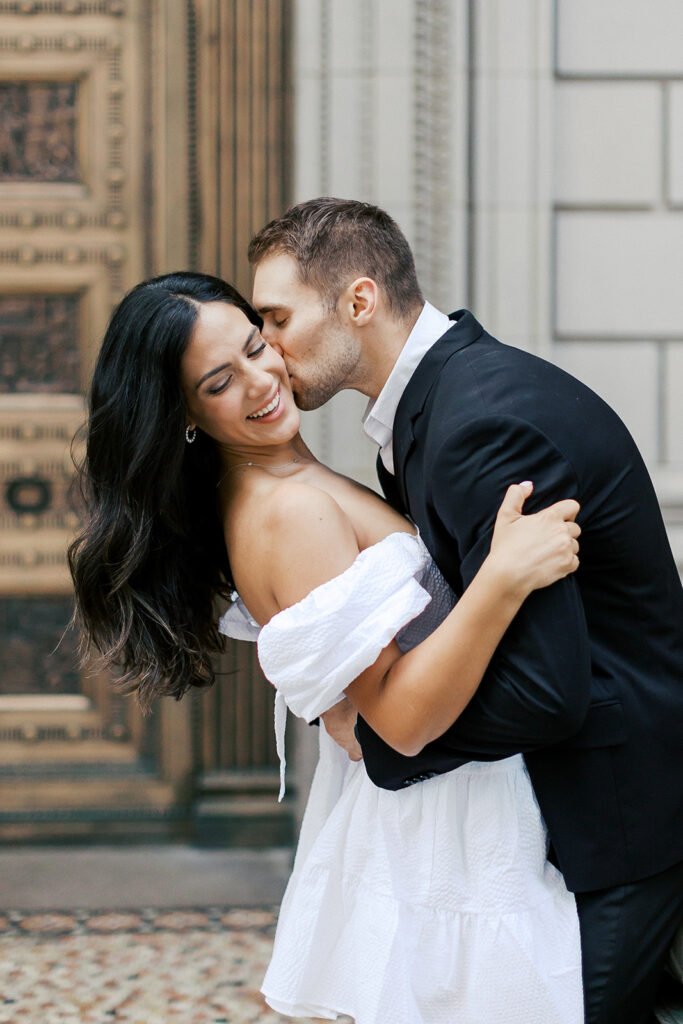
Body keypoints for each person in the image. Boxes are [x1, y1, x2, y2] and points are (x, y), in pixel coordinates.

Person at [68, 271, 585, 1024]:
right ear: (183, 415)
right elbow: (398, 724)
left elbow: (355, 697)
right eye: (219, 381)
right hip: (448, 823)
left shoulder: (283, 481)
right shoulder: (287, 513)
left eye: (254, 345)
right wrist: (500, 580)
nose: (260, 380)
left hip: (447, 803)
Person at [247, 198, 683, 1024]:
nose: (267, 352)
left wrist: (382, 738)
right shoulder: (439, 404)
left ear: (359, 301)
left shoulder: (476, 426)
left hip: (623, 812)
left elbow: (546, 691)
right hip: (592, 800)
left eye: (275, 318)